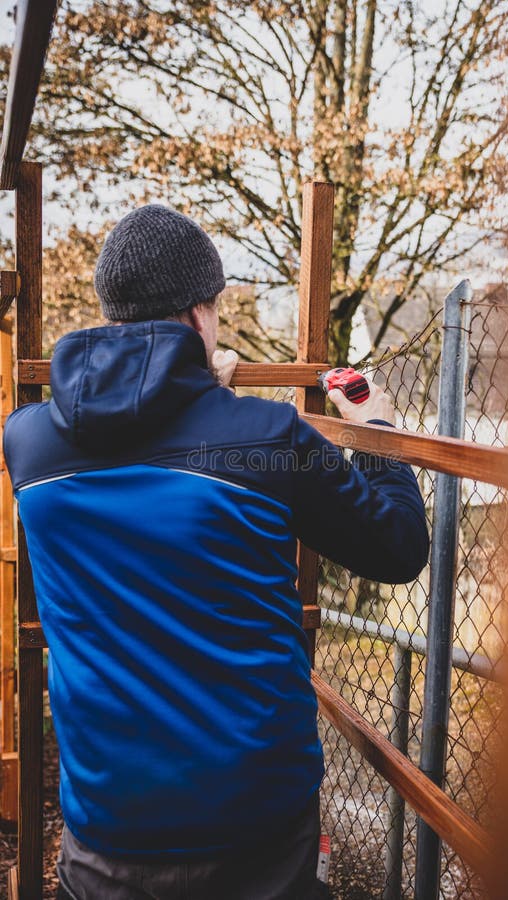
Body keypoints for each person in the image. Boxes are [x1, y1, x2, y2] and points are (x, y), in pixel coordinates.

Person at [4, 205, 429, 900]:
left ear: (110, 316)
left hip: (107, 825)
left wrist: (203, 396)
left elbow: (154, 451)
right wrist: (376, 425)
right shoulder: (266, 438)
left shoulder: (28, 445)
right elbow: (398, 546)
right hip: (255, 828)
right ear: (202, 315)